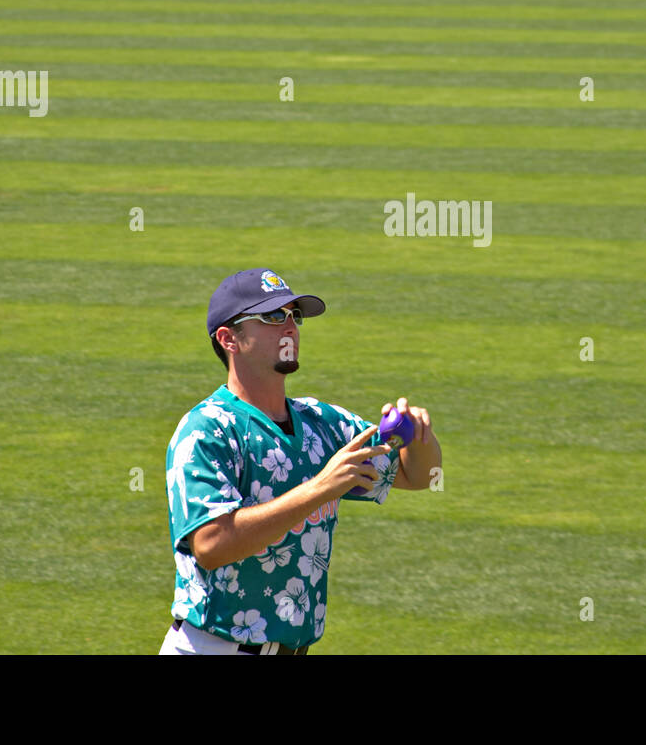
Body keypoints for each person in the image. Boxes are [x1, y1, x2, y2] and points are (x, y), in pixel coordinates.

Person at [159, 269, 441, 655]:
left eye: (295, 316)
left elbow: (418, 474)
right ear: (229, 339)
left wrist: (418, 433)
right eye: (273, 317)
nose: (290, 326)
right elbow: (211, 544)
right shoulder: (207, 430)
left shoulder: (321, 423)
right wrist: (321, 488)